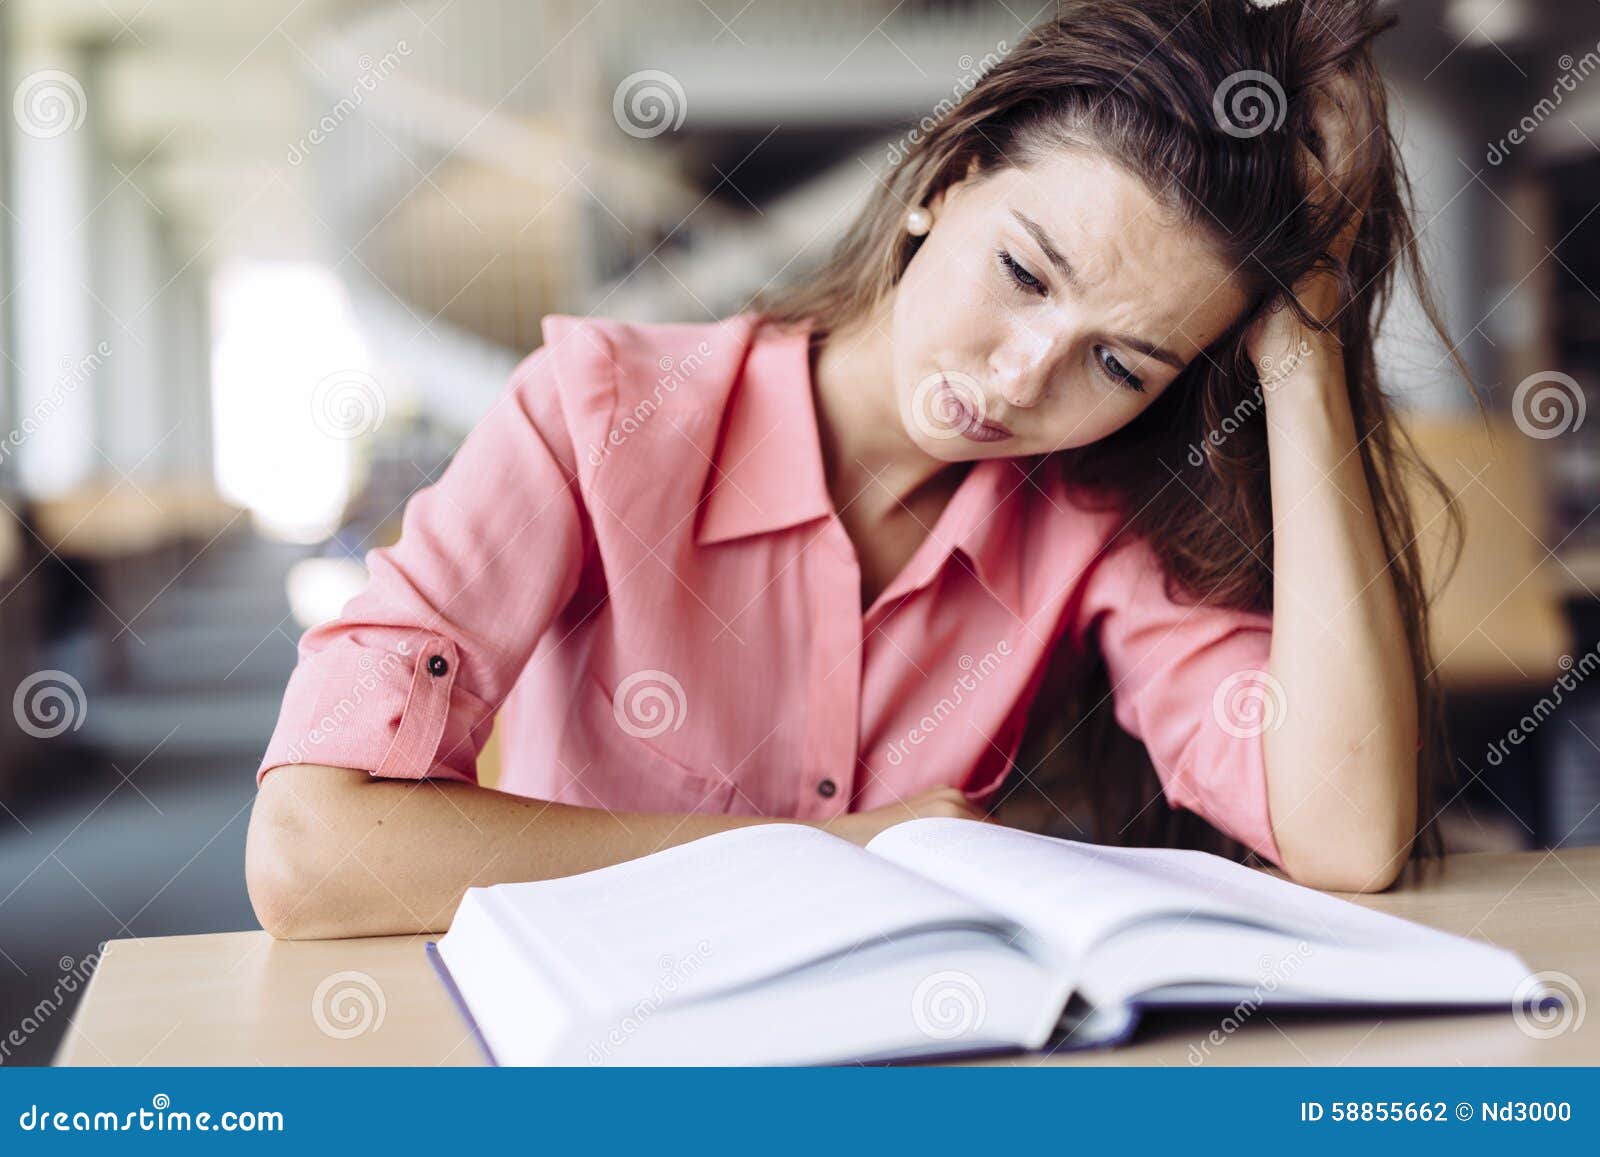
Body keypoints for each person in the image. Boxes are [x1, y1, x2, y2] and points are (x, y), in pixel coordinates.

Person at [247, 0, 1463, 939]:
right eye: (1026, 274)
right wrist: (825, 849)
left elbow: (1343, 830)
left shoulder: (1095, 508)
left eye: (1122, 362)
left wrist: (1305, 359)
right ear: (948, 183)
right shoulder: (595, 412)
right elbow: (309, 848)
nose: (1026, 378)